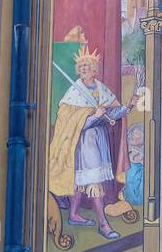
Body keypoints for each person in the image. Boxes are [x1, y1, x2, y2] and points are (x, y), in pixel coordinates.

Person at [47, 50, 136, 240]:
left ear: (95, 70)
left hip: (99, 140)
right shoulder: (74, 92)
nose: (85, 69)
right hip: (83, 142)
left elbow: (111, 114)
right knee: (92, 181)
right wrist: (92, 117)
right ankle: (103, 224)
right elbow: (70, 123)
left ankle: (73, 215)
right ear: (79, 71)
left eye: (89, 66)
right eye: (82, 67)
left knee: (82, 181)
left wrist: (127, 107)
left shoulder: (101, 89)